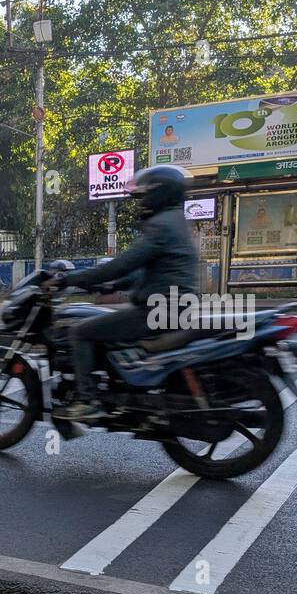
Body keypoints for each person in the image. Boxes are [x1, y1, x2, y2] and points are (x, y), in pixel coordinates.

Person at [49, 164, 200, 421]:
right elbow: (145, 271)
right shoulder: (176, 222)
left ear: (159, 193)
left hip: (158, 311)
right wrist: (113, 286)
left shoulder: (161, 225)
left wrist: (69, 280)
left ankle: (87, 401)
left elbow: (122, 264)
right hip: (173, 308)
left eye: (143, 196)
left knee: (81, 331)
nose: (140, 203)